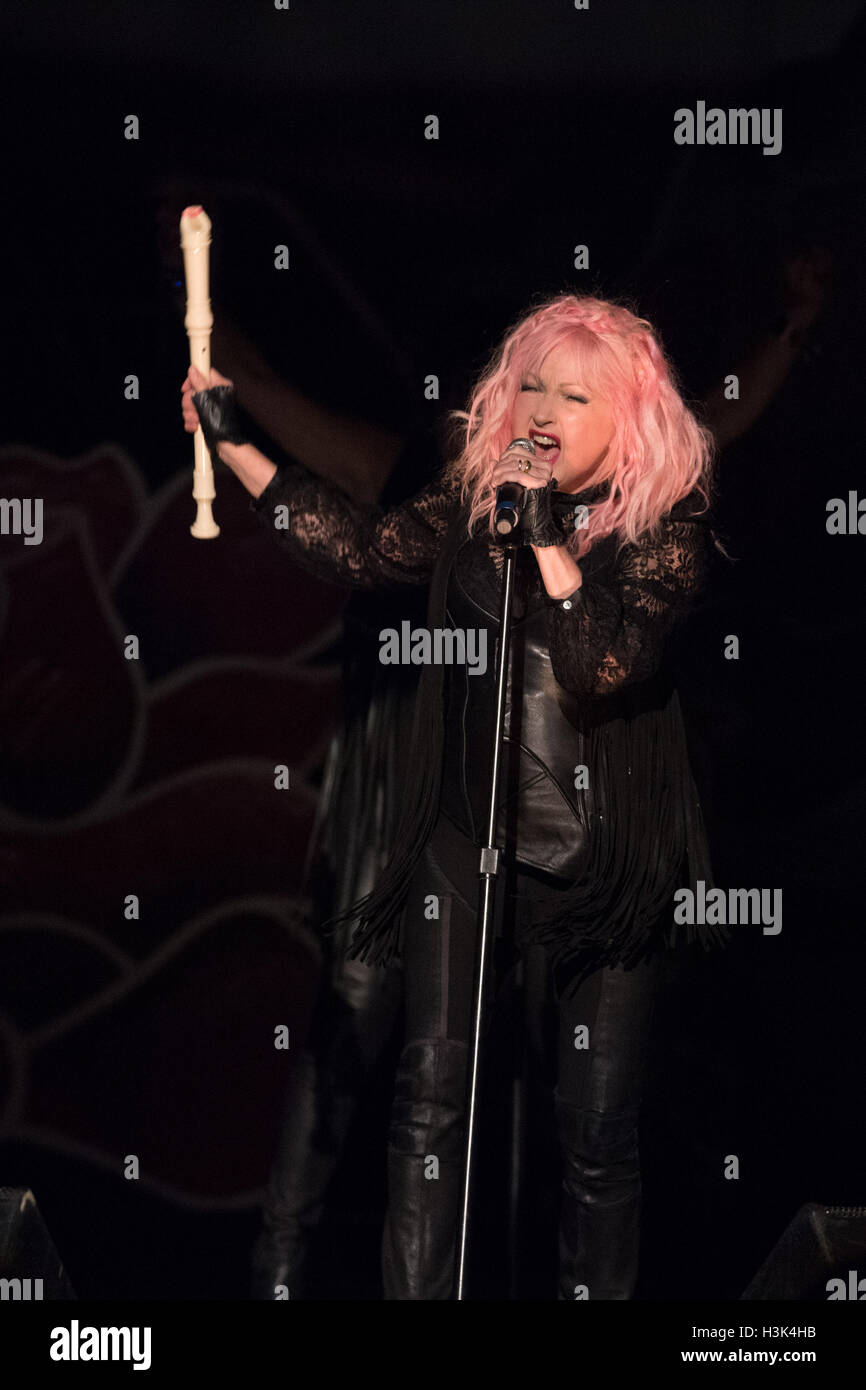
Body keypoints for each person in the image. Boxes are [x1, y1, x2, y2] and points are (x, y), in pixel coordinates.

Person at [182, 293, 730, 1300]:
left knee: (594, 1134)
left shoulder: (666, 532)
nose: (540, 406)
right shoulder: (475, 506)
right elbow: (362, 549)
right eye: (529, 383)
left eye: (574, 392)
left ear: (628, 416)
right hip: (466, 836)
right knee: (427, 1098)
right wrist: (234, 444)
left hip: (605, 860)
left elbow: (601, 666)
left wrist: (546, 545)